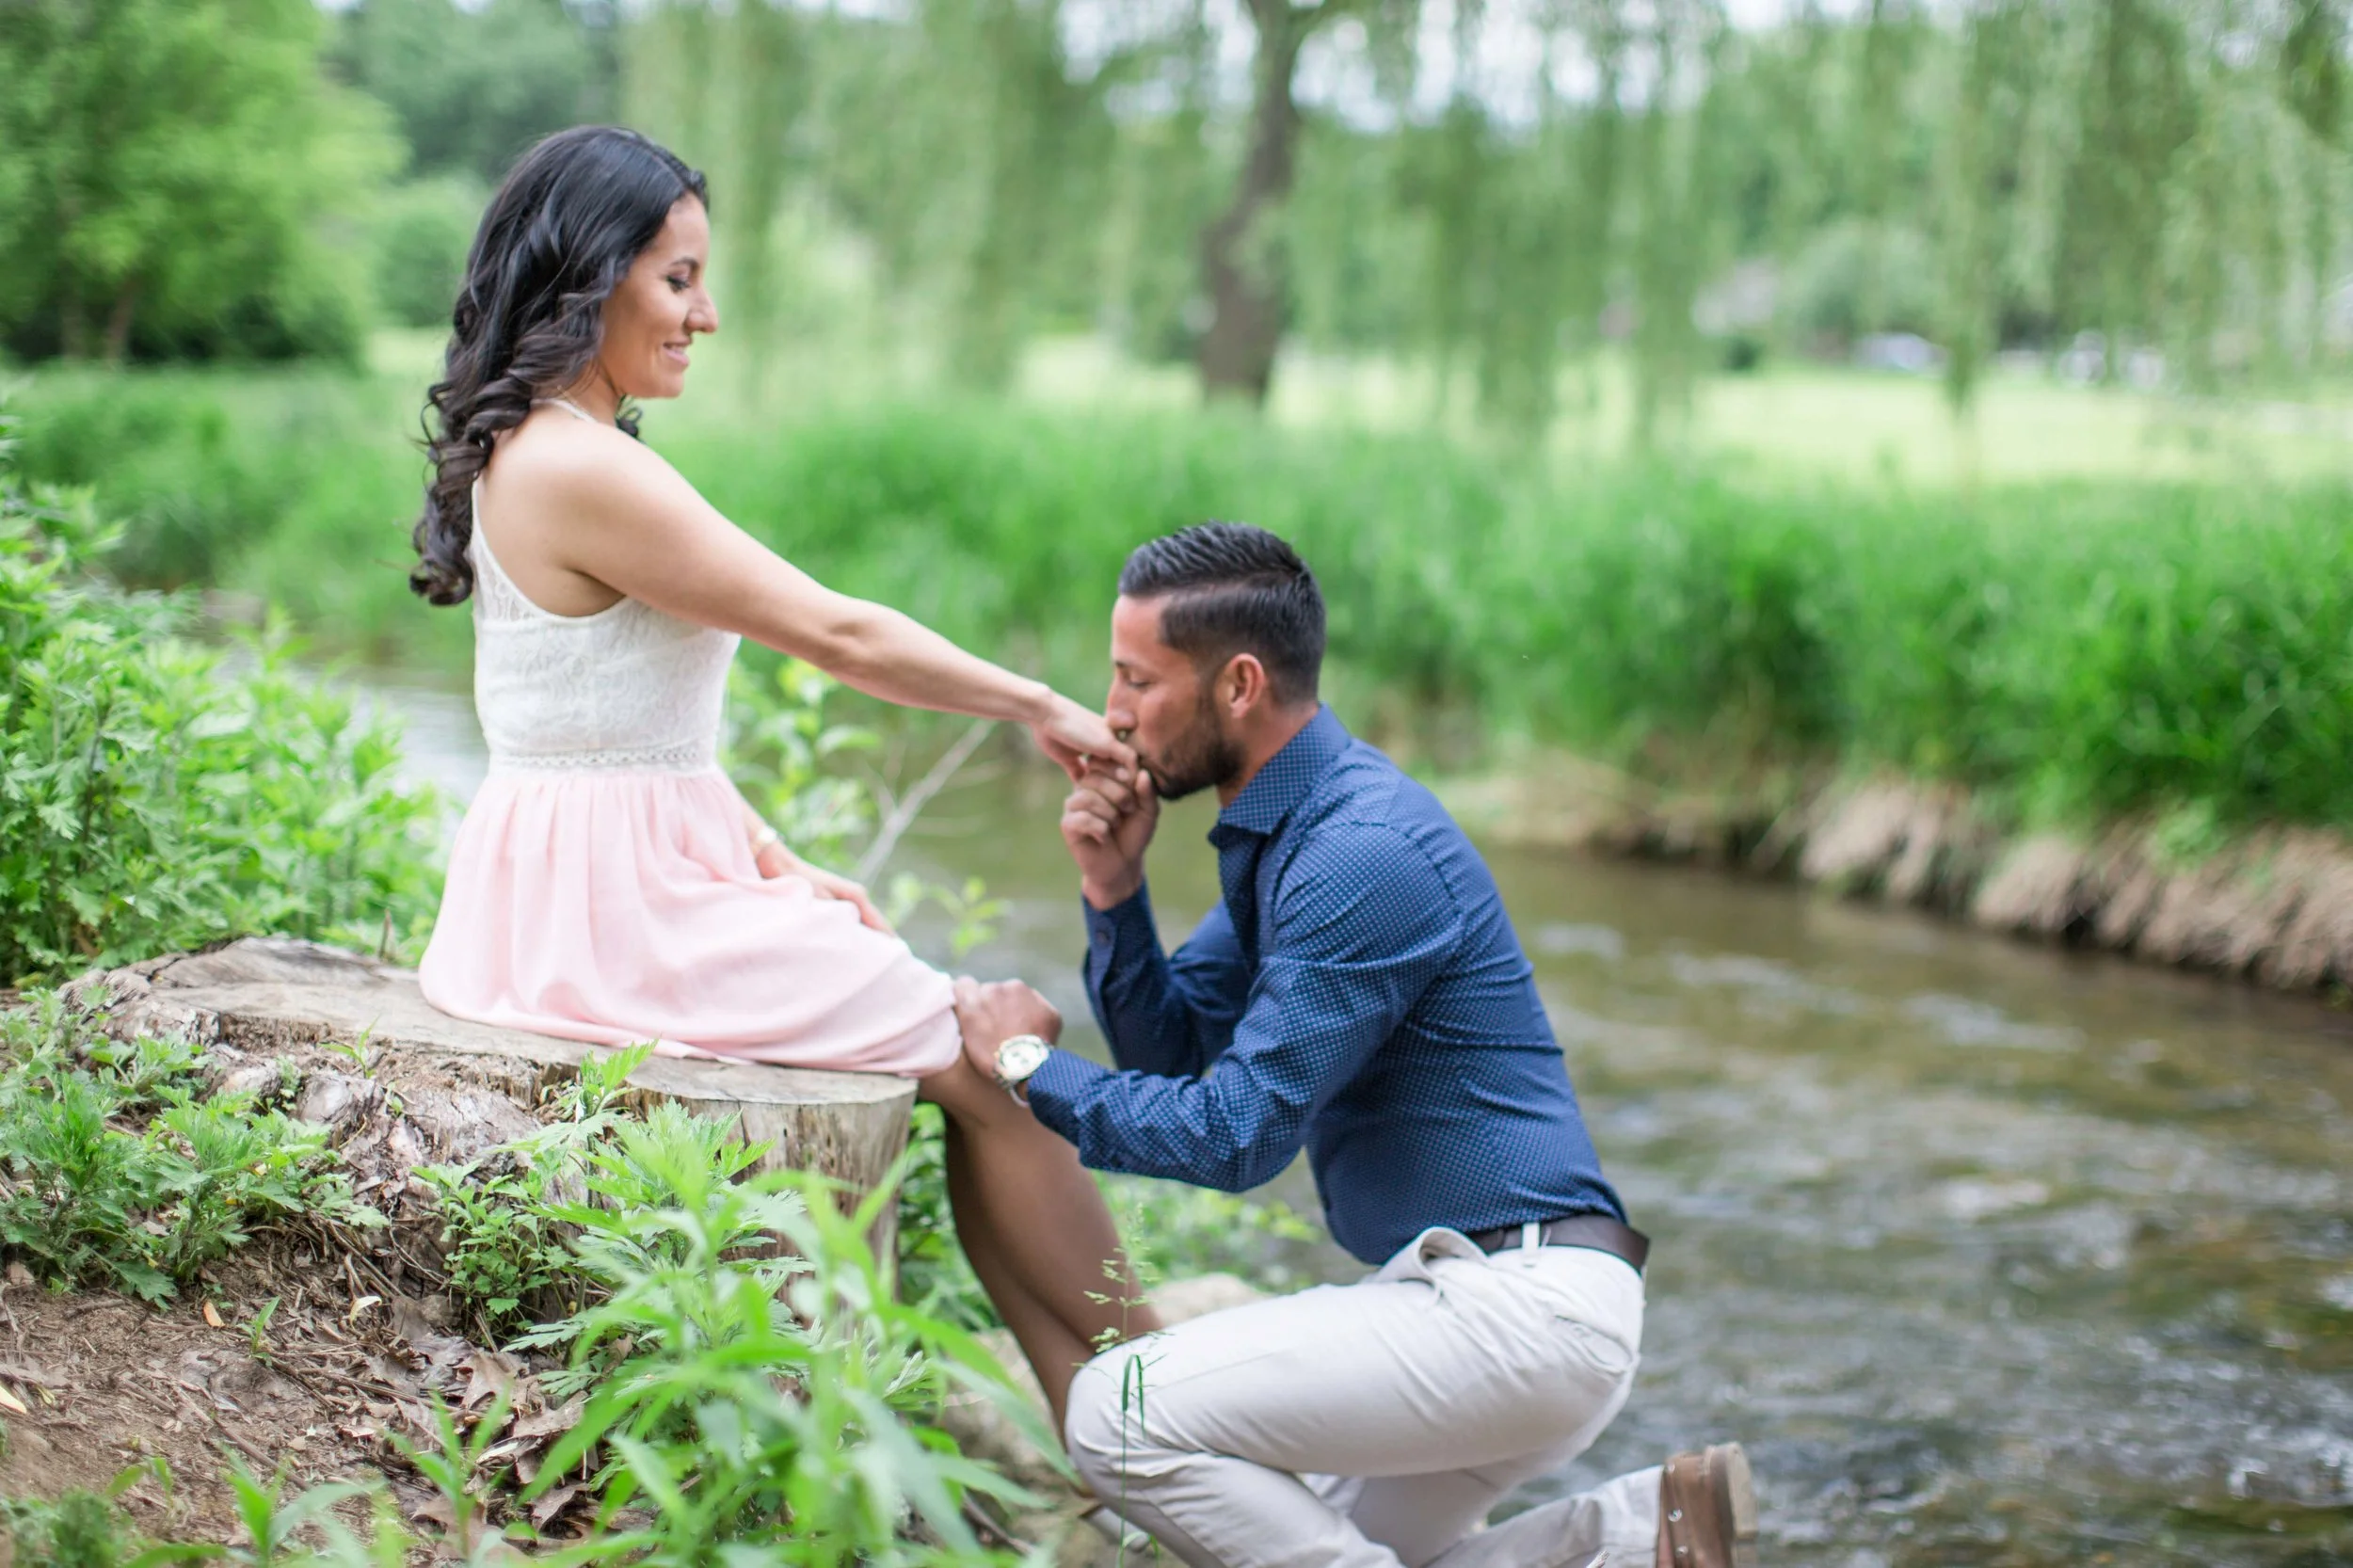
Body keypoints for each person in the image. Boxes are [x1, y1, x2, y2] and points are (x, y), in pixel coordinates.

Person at [405, 124, 1156, 1425]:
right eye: (679, 278)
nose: (709, 311)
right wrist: (1035, 701)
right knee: (998, 1057)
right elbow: (837, 630)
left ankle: (1115, 1406)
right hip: (616, 922)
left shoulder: (541, 445)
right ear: (589, 278)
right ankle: (1153, 1389)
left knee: (973, 1058)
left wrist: (763, 854)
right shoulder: (586, 465)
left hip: (584, 894)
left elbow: (601, 725)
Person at [951, 523, 1759, 1568]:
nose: (1109, 712)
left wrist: (1023, 1065)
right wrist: (1113, 890)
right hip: (1477, 1304)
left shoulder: (1357, 854)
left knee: (1118, 1410)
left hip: (1515, 1312)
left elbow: (1235, 1137)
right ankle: (1636, 1534)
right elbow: (1177, 1055)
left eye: (1136, 679)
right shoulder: (1298, 827)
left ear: (1238, 683)